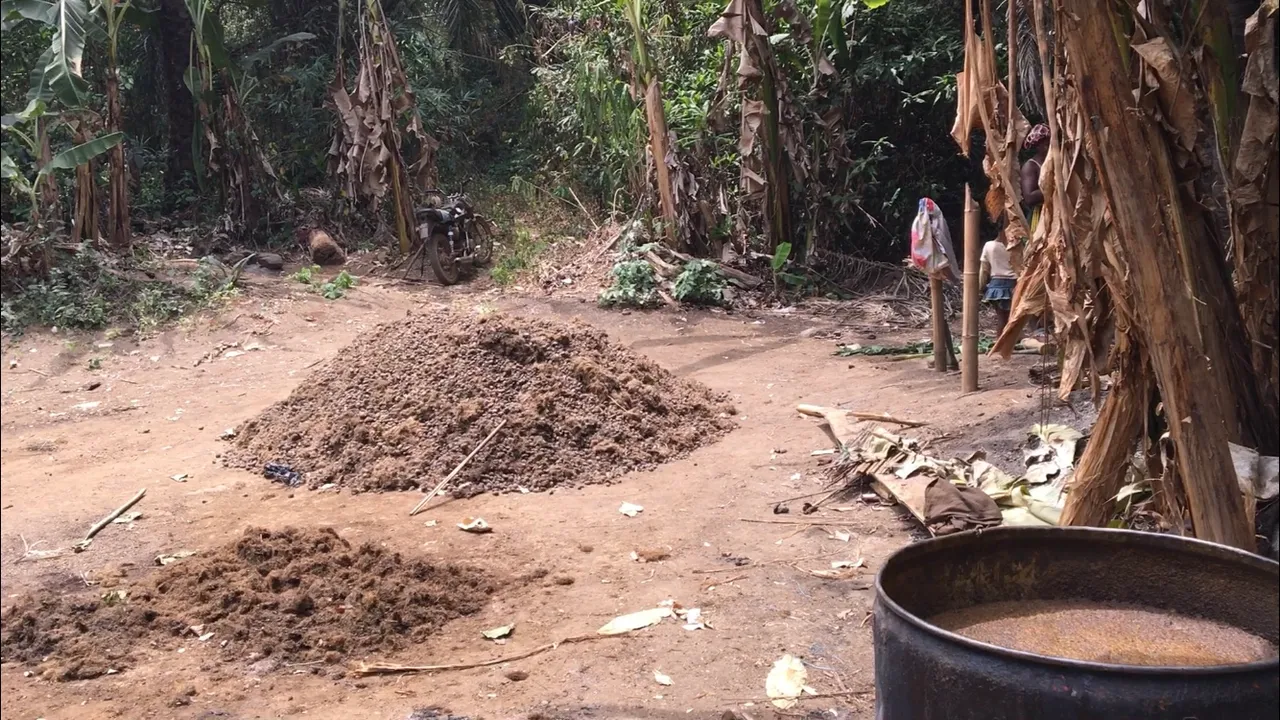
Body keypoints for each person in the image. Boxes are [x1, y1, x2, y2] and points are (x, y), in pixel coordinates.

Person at [980, 235, 1016, 332]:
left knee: (1001, 318)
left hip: (996, 285)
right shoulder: (1018, 246)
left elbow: (984, 270)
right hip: (1014, 284)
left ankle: (1001, 340)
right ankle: (1008, 340)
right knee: (1012, 319)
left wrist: (982, 286)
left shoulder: (989, 245)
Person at [1021, 124, 1050, 232]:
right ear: (1038, 145)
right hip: (1041, 216)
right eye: (1045, 143)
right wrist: (1053, 188)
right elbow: (1029, 197)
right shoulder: (1031, 166)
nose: (1048, 146)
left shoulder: (1059, 161)